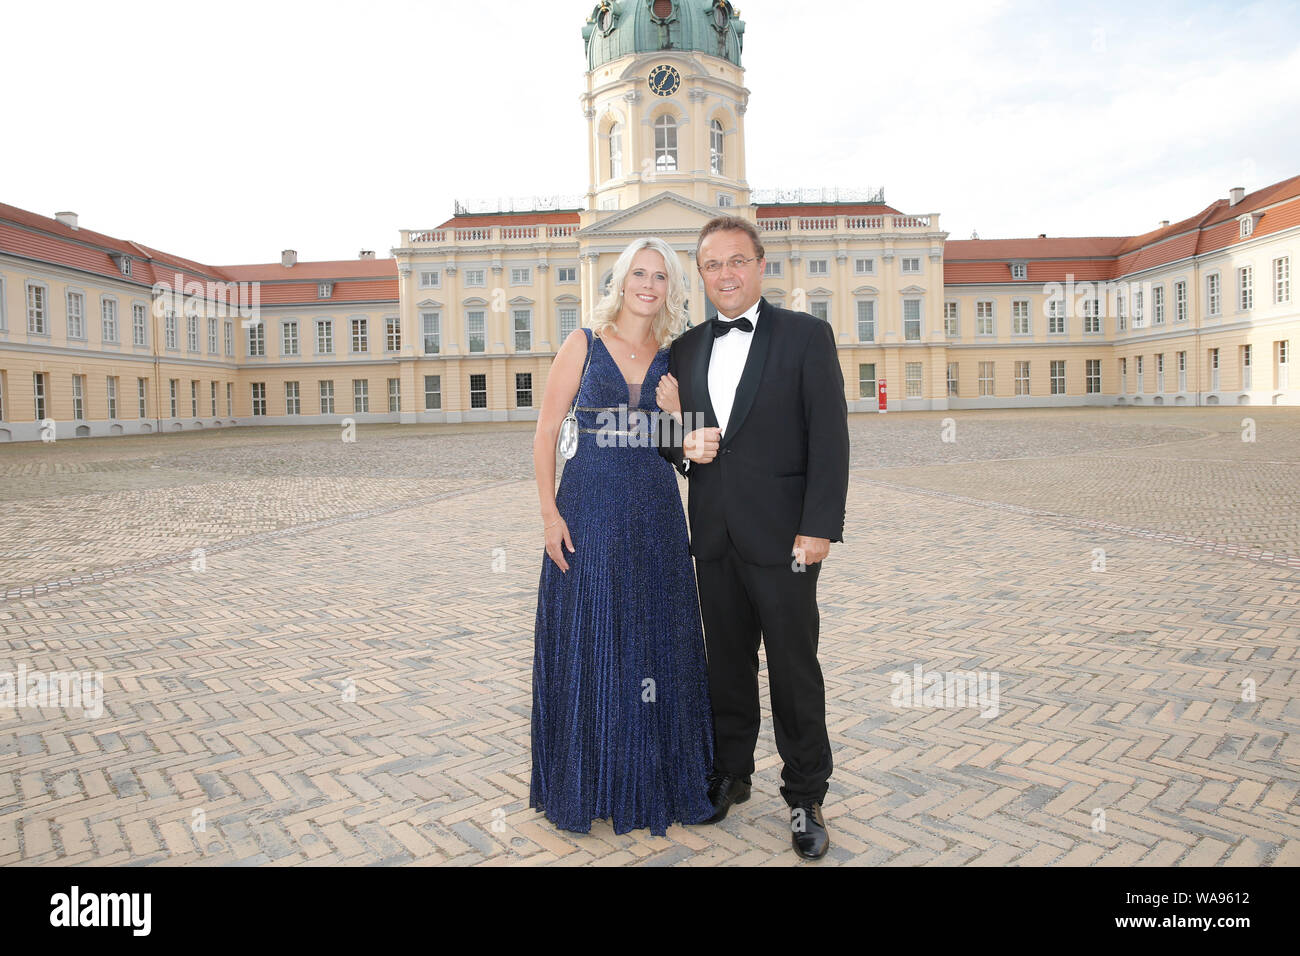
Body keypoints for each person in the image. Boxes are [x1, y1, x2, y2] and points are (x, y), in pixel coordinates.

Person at [656, 215, 850, 860]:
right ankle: (731, 776)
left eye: (737, 261)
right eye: (713, 265)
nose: (726, 274)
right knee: (727, 666)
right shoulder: (683, 350)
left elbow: (829, 436)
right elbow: (670, 438)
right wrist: (680, 443)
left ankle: (805, 796)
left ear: (760, 265)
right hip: (714, 536)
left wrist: (819, 527)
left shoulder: (806, 336)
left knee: (795, 669)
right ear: (703, 275)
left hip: (787, 541)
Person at [529, 237, 714, 836]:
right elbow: (545, 432)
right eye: (640, 273)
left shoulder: (677, 354)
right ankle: (591, 779)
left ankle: (654, 777)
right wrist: (549, 515)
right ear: (621, 280)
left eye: (660, 277)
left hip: (656, 513)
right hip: (588, 510)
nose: (649, 285)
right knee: (595, 639)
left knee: (655, 642)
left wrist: (679, 405)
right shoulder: (582, 344)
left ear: (671, 289)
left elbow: (688, 443)